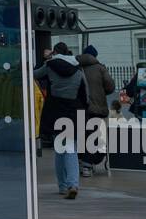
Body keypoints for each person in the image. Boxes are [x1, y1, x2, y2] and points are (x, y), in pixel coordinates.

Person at [33, 42, 87, 199]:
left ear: (55, 53)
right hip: (73, 111)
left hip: (55, 111)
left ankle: (63, 186)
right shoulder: (78, 68)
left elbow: (34, 74)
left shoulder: (50, 65)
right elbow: (85, 95)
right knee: (71, 148)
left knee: (60, 150)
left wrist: (46, 60)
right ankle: (73, 184)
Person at [78, 44, 116, 176]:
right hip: (96, 108)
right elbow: (111, 86)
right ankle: (87, 166)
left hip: (80, 107)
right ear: (94, 56)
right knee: (93, 136)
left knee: (81, 135)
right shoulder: (100, 68)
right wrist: (101, 91)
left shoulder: (77, 66)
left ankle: (80, 161)